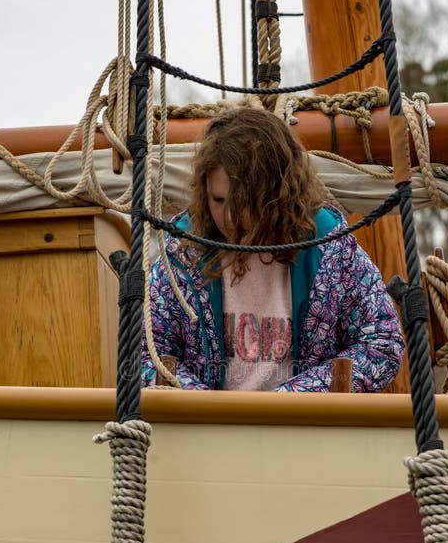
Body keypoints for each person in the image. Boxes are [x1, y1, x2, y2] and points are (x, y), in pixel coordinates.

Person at [141, 105, 405, 392]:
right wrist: (204, 407)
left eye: (245, 204)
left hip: (306, 428)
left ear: (277, 195)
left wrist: (293, 398)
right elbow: (146, 350)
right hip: (208, 428)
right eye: (218, 200)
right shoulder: (183, 253)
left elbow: (382, 343)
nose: (229, 217)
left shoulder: (330, 247)